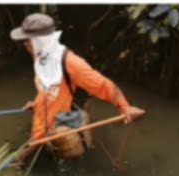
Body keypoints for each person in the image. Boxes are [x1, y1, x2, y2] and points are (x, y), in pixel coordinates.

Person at [10, 13, 145, 167]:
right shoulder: (40, 57)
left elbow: (104, 85)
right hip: (42, 126)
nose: (25, 44)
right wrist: (36, 103)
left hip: (56, 128)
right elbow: (48, 89)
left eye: (27, 40)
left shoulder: (71, 63)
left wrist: (125, 107)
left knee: (20, 164)